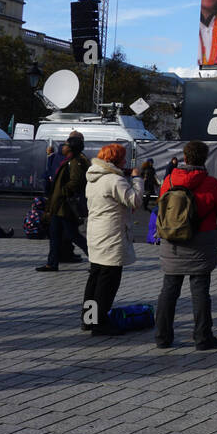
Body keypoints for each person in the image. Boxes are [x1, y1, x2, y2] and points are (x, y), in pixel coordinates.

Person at [155, 140, 217, 350]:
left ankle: (162, 337)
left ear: (185, 157)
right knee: (200, 292)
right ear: (204, 158)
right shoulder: (211, 183)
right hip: (201, 242)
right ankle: (203, 337)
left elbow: (161, 206)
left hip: (173, 241)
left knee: (169, 289)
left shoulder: (169, 180)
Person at [81, 144, 144, 337]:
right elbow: (135, 201)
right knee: (108, 282)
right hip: (112, 236)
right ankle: (100, 323)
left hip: (95, 233)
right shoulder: (114, 180)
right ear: (116, 160)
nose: (125, 162)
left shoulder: (93, 177)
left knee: (95, 278)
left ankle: (88, 319)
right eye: (123, 158)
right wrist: (137, 179)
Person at [37, 131, 88, 271]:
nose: (63, 146)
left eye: (66, 144)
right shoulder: (66, 160)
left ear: (71, 147)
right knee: (54, 235)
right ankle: (52, 263)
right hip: (58, 205)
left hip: (65, 206)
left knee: (74, 236)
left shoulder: (75, 162)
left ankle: (96, 261)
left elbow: (75, 182)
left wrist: (63, 191)